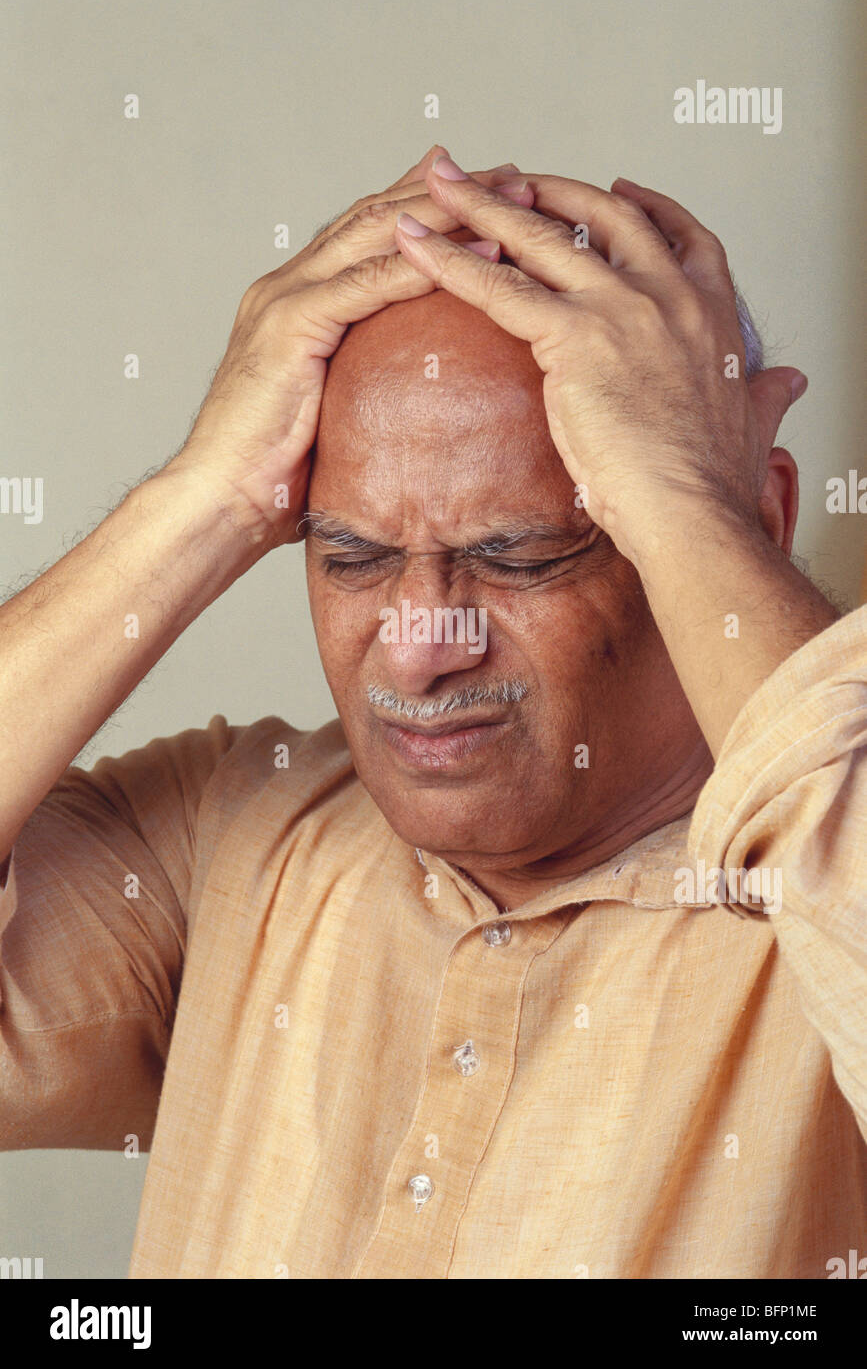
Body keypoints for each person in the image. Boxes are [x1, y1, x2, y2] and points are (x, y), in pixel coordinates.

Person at [1, 146, 864, 1279]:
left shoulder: (815, 927)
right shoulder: (231, 840)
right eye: (350, 555)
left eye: (518, 556)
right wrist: (204, 495)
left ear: (760, 513)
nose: (417, 646)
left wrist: (688, 499)